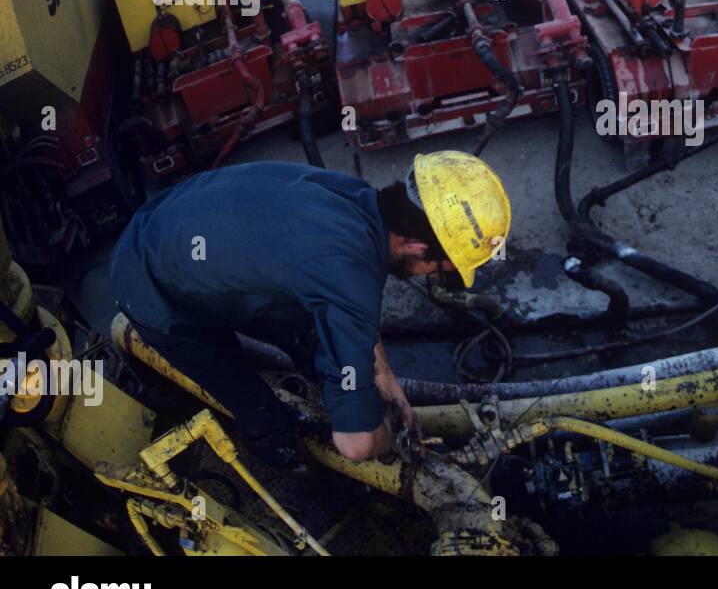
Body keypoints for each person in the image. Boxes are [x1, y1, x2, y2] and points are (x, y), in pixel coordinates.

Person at [110, 154, 511, 465]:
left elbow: (349, 310)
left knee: (315, 337)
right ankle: (284, 458)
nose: (431, 278)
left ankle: (332, 393)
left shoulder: (353, 197)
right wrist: (387, 435)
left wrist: (389, 386)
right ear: (416, 246)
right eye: (439, 268)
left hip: (172, 223)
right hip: (150, 286)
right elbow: (355, 447)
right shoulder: (349, 275)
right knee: (258, 410)